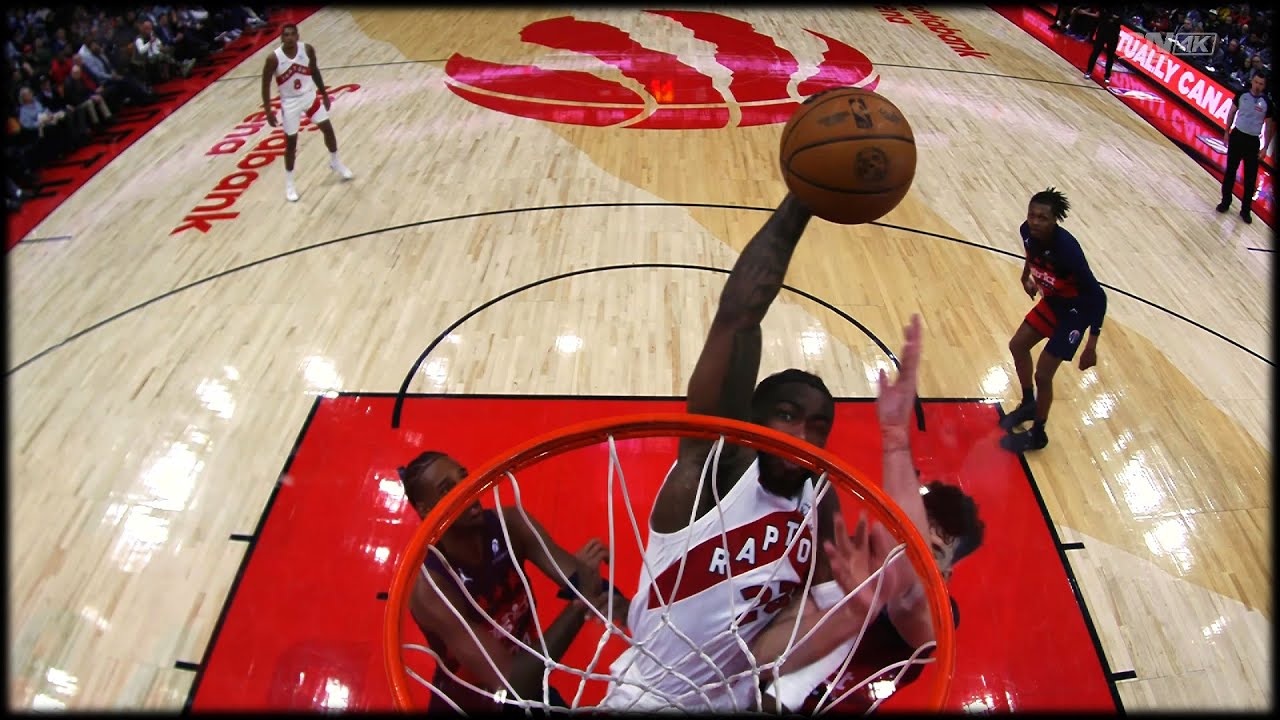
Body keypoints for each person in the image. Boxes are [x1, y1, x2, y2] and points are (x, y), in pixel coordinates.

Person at [598, 192, 926, 712]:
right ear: (752, 421)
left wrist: (849, 610)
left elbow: (794, 628)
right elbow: (738, 321)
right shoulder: (715, 470)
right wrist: (802, 201)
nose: (802, 436)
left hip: (736, 699)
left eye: (818, 426)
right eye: (787, 415)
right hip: (646, 698)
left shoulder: (816, 499)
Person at [398, 450, 630, 713]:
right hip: (477, 702)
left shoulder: (511, 524)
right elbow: (511, 684)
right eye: (447, 488)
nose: (467, 487)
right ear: (426, 509)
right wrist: (579, 605)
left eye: (463, 476)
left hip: (527, 677)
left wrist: (638, 615)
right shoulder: (431, 590)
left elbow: (578, 580)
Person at [775, 477, 984, 713]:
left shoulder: (939, 618)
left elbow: (911, 604)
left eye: (932, 550)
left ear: (944, 577)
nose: (912, 552)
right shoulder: (850, 558)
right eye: (913, 533)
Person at [1000, 188, 1107, 452]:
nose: (1035, 221)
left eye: (1043, 218)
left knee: (1044, 373)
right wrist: (1026, 276)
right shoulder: (1026, 231)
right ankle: (1028, 403)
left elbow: (1098, 297)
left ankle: (1038, 433)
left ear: (1055, 220)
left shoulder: (1067, 250)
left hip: (1075, 312)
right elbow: (1030, 254)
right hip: (1054, 302)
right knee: (1018, 346)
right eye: (1032, 215)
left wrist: (1091, 345)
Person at [260, 23, 353, 203]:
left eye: (291, 34)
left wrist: (324, 93)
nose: (288, 38)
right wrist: (268, 110)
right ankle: (289, 184)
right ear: (281, 37)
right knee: (291, 144)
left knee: (328, 129)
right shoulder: (274, 58)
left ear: (297, 36)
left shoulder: (307, 49)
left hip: (309, 96)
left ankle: (335, 161)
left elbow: (315, 71)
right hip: (290, 102)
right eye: (285, 35)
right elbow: (264, 84)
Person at [1216, 73, 1274, 224]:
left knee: (1250, 178)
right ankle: (1225, 202)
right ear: (1252, 81)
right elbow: (1232, 112)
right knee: (1230, 171)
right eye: (1256, 82)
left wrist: (1265, 147)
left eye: (1261, 84)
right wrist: (1226, 131)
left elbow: (1268, 127)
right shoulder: (1241, 94)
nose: (1257, 86)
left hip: (1252, 141)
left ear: (1264, 86)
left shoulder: (1267, 102)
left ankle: (1245, 210)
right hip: (1237, 136)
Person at [1082, 8, 1121, 84]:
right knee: (1095, 52)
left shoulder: (1122, 9)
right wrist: (1112, 17)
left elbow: (1122, 19)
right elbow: (1101, 15)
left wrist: (1112, 17)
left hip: (1113, 35)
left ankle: (1107, 76)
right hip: (1102, 32)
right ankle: (1088, 71)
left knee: (1110, 56)